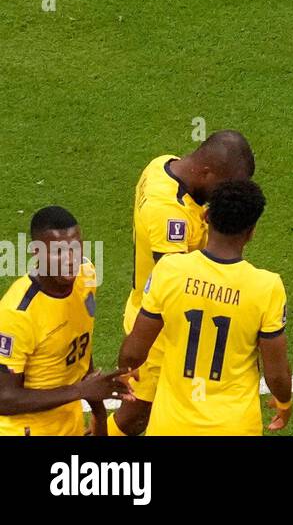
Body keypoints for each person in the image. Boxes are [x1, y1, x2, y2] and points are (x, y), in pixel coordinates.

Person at [118, 179, 292, 435]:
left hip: (170, 427)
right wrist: (284, 403)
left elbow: (135, 350)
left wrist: (124, 370)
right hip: (234, 427)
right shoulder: (267, 287)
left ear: (207, 215)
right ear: (252, 230)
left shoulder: (169, 270)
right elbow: (276, 373)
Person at [112, 129, 255, 435]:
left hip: (148, 309)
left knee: (145, 414)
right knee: (133, 417)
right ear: (205, 172)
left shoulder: (162, 163)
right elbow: (177, 283)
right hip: (160, 330)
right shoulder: (169, 217)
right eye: (225, 186)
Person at [0, 206, 129, 436]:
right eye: (58, 251)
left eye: (75, 248)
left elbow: (80, 342)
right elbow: (4, 398)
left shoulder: (86, 276)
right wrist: (81, 390)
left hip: (71, 425)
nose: (70, 260)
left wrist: (98, 414)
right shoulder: (17, 313)